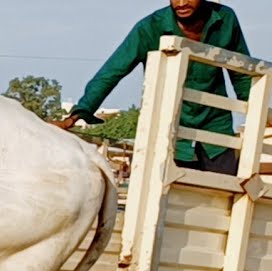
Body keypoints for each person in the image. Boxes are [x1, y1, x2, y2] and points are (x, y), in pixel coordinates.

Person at [53, 0, 252, 175]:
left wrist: (257, 115)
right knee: (168, 201)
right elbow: (112, 71)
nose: (181, 3)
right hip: (168, 128)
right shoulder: (150, 28)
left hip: (215, 127)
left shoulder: (225, 20)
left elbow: (242, 73)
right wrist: (76, 115)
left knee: (224, 199)